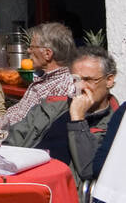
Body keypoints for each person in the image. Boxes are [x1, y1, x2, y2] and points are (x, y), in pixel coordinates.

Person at [8, 49, 118, 181]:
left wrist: (78, 119)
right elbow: (15, 137)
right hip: (23, 178)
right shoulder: (55, 106)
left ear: (109, 80)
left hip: (60, 189)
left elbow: (88, 170)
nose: (81, 86)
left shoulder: (114, 123)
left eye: (88, 79)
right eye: (76, 79)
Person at [0, 22, 78, 138]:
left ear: (47, 54)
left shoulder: (64, 86)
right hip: (4, 138)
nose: (28, 51)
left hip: (18, 147)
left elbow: (36, 132)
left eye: (32, 47)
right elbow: (8, 120)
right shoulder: (41, 81)